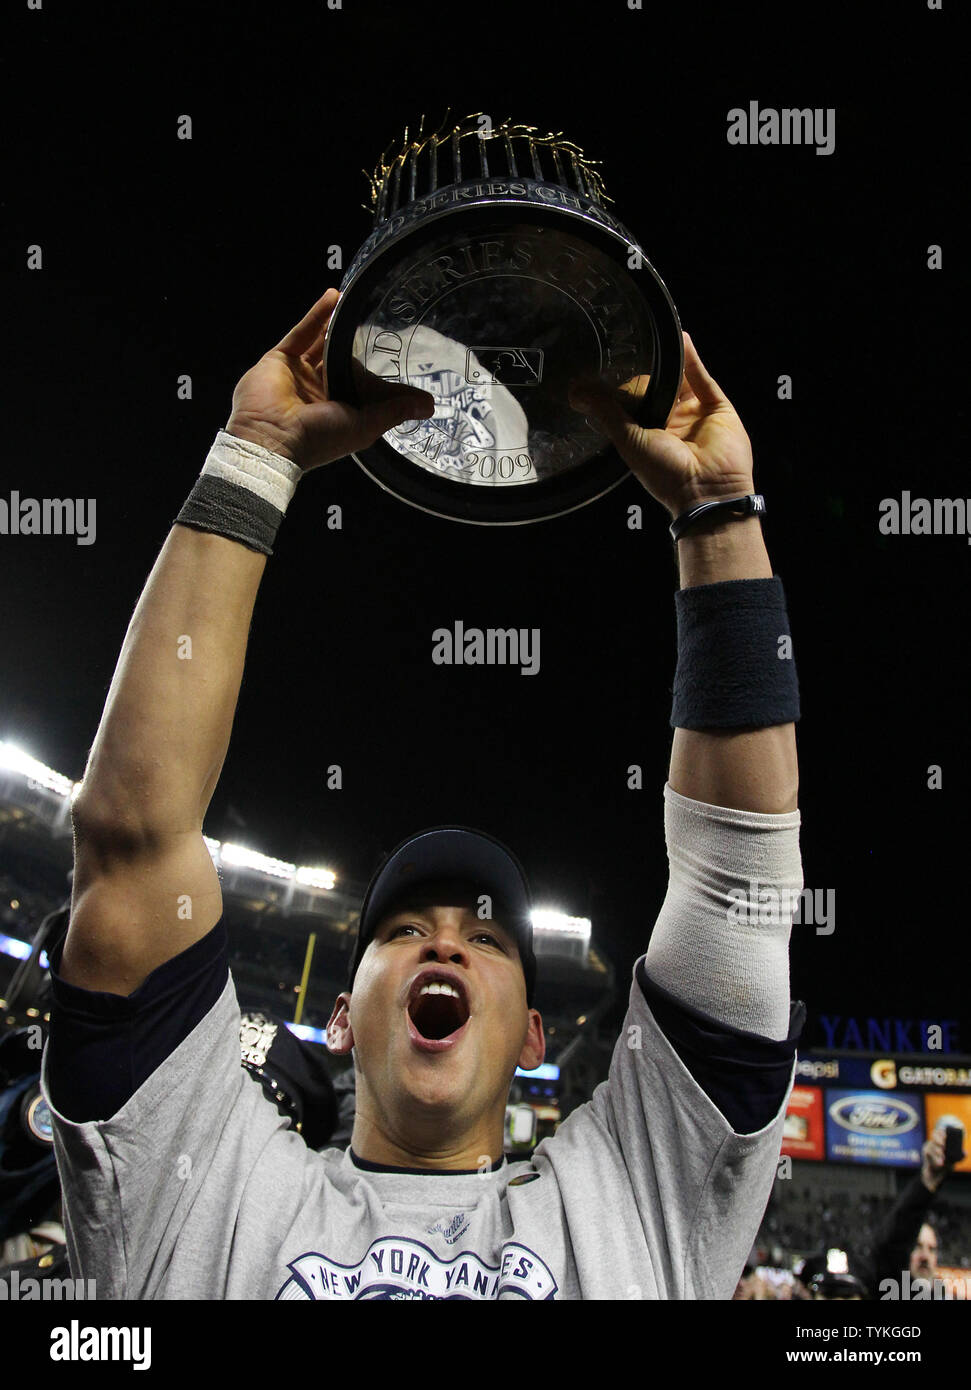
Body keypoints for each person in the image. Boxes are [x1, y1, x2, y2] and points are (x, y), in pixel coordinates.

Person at [40, 287, 804, 1299]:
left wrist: (718, 516)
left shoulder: (627, 1200)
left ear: (535, 1035)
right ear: (341, 1018)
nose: (444, 940)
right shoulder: (212, 1185)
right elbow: (132, 840)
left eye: (486, 940)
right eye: (401, 930)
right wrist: (254, 451)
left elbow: (735, 895)